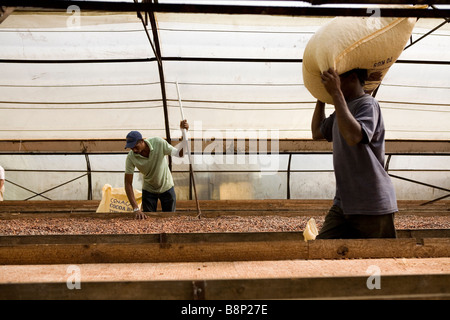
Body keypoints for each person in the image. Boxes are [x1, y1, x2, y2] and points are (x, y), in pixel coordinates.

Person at [311, 67, 398, 239]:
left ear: (352, 77)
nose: (331, 83)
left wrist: (336, 93)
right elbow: (316, 132)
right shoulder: (341, 110)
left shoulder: (368, 104)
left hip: (372, 204)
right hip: (344, 203)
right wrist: (321, 98)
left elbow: (353, 136)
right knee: (321, 252)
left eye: (336, 78)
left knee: (379, 261)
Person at [124, 120, 189, 220]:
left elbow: (180, 154)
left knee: (170, 219)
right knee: (147, 220)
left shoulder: (158, 143)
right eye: (131, 148)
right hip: (149, 190)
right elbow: (128, 183)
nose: (134, 150)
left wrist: (184, 135)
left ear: (142, 141)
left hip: (167, 187)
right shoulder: (131, 157)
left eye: (135, 147)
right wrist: (136, 209)